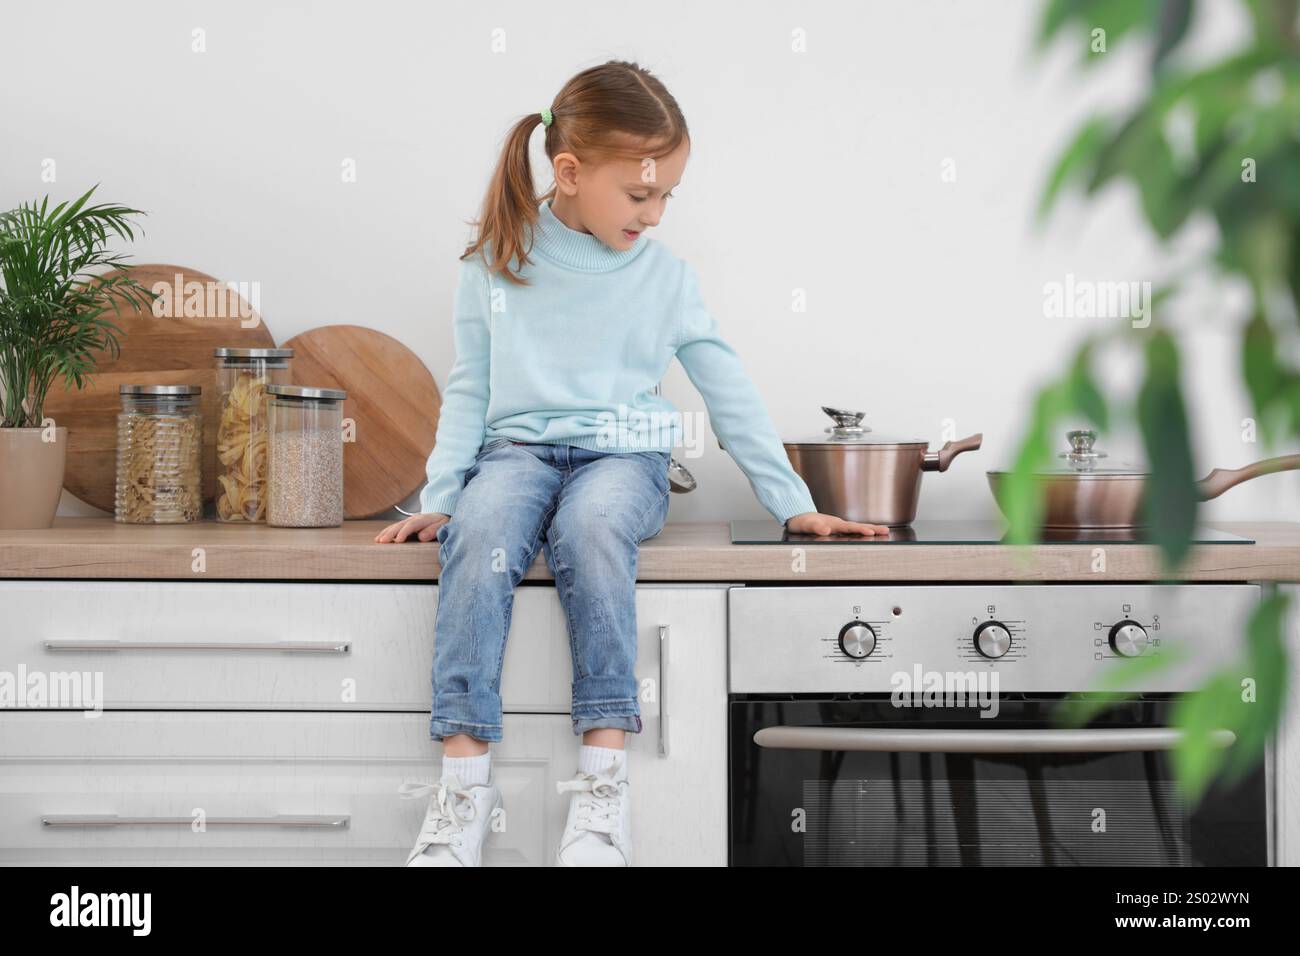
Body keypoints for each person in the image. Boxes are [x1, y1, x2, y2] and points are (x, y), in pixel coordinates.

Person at [376, 60, 886, 867]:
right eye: (639, 195)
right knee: (475, 535)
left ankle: (603, 786)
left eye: (666, 197)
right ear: (570, 173)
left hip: (626, 457)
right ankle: (465, 788)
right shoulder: (495, 264)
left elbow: (729, 392)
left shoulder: (665, 278)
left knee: (591, 529)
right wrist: (441, 495)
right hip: (517, 452)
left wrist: (792, 502)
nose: (653, 215)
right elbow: (469, 388)